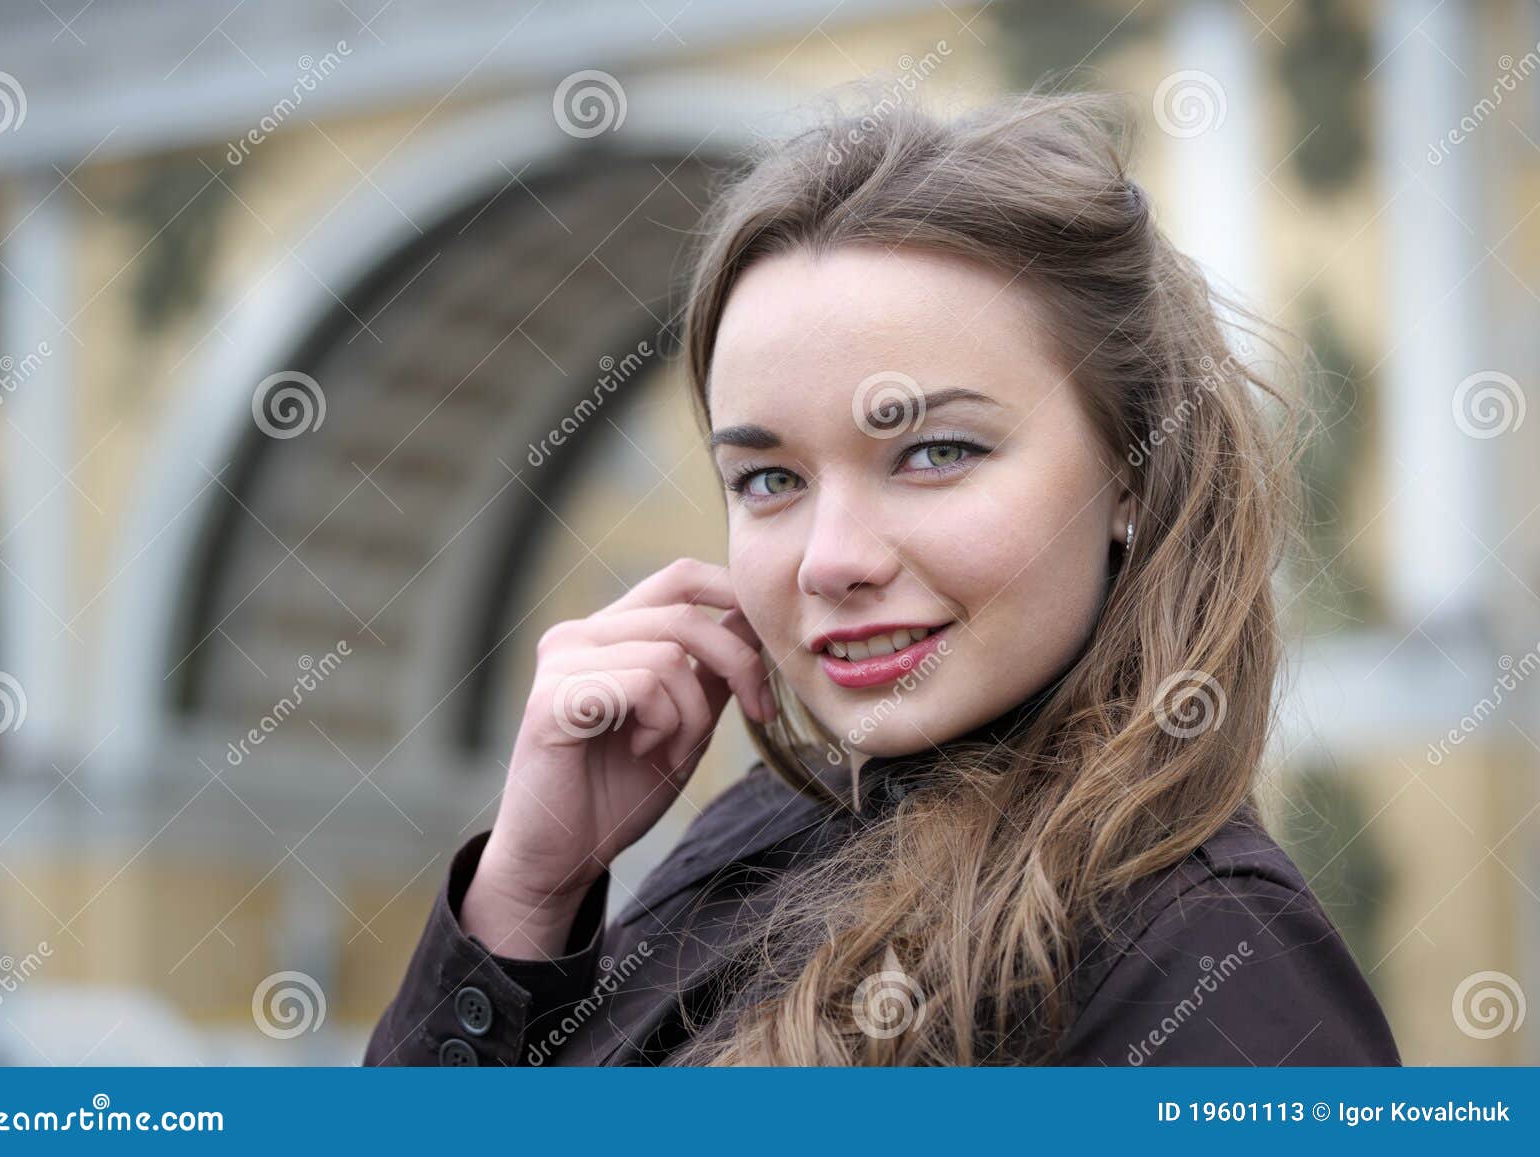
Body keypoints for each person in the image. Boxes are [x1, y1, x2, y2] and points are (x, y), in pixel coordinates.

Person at [362, 86, 1400, 1067]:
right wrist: (523, 898)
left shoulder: (1208, 958)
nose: (832, 559)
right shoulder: (743, 844)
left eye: (935, 452)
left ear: (1131, 470)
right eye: (768, 477)